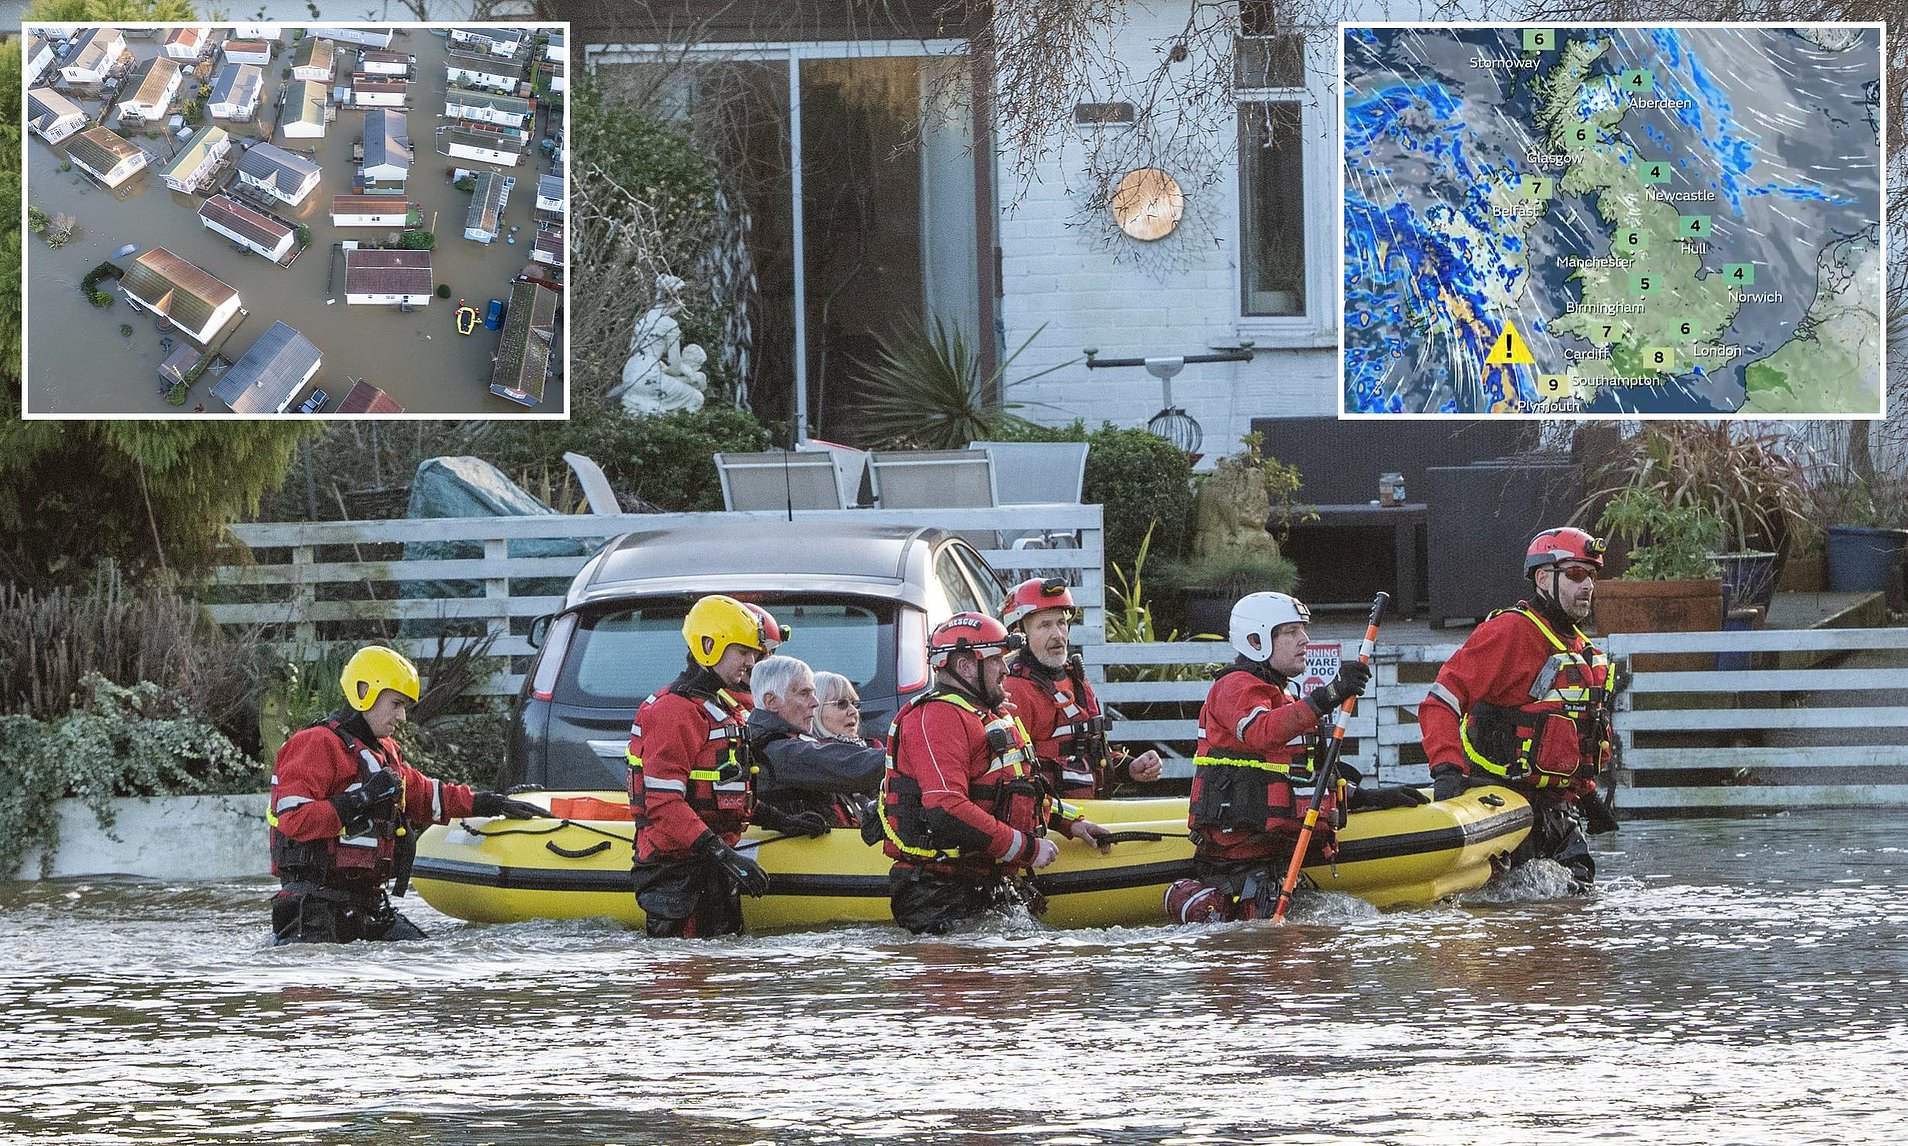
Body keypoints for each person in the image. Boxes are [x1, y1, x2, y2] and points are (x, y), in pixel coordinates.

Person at [267, 645, 546, 944]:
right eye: (396, 704)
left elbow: (428, 796)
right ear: (365, 692)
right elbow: (294, 820)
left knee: (428, 956)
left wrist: (490, 802)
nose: (401, 717)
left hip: (366, 907)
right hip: (312, 912)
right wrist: (361, 799)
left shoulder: (383, 754)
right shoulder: (315, 744)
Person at [878, 612, 1114, 934]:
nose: (1006, 669)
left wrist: (1072, 822)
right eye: (996, 661)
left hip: (986, 880)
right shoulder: (936, 718)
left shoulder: (991, 715)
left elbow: (1019, 790)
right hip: (938, 891)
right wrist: (1025, 848)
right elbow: (945, 807)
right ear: (964, 666)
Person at [1417, 527, 1614, 889]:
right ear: (1542, 578)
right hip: (1503, 807)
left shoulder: (1584, 650)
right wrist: (1447, 769)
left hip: (1556, 812)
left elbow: (1573, 735)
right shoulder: (1509, 632)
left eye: (1592, 575)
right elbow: (1438, 703)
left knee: (1580, 910)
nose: (1587, 585)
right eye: (1575, 573)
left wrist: (1587, 795)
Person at [1164, 592, 1373, 924]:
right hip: (1237, 863)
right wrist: (1330, 694)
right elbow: (1263, 732)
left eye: (1302, 630)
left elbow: (1302, 774)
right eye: (1290, 631)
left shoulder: (1285, 694)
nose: (1304, 640)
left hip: (1277, 857)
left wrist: (1364, 797)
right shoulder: (1234, 688)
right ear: (1255, 639)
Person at [625, 594, 772, 938]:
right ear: (709, 645)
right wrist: (725, 854)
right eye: (743, 652)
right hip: (677, 876)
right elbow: (664, 804)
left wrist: (782, 820)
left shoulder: (719, 706)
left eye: (754, 653)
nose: (751, 662)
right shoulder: (673, 712)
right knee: (685, 983)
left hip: (709, 864)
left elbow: (724, 793)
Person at [998, 577, 1163, 799]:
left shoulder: (1073, 677)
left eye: (1061, 622)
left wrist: (1129, 767)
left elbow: (1087, 750)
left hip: (1088, 815)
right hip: (1053, 824)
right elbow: (1011, 777)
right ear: (1020, 634)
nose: (1058, 634)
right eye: (1045, 625)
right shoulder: (1014, 689)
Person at [745, 655, 886, 833]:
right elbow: (850, 767)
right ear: (771, 702)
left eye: (813, 692)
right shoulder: (771, 749)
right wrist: (906, 754)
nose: (815, 702)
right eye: (804, 693)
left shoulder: (783, 742)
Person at [812, 671, 872, 745]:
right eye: (841, 704)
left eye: (855, 703)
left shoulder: (874, 748)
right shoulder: (807, 754)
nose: (853, 711)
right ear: (816, 710)